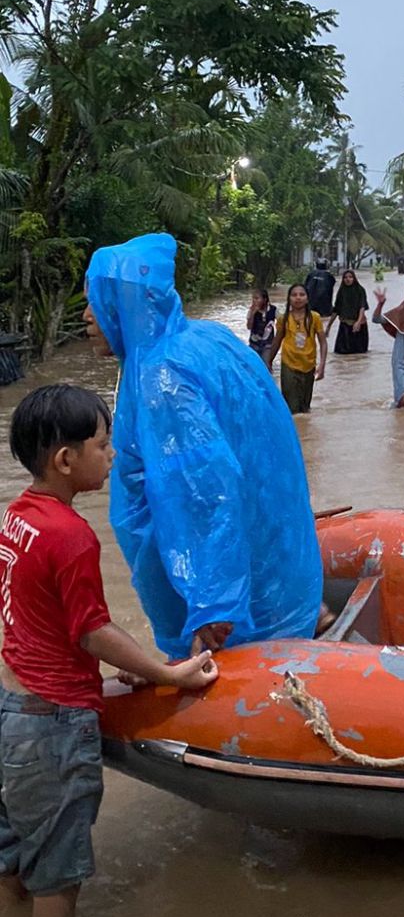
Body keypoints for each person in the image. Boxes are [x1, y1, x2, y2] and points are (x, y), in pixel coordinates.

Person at [0, 384, 216, 917]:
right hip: (51, 726)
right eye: (103, 443)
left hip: (10, 708)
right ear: (66, 460)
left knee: (10, 859)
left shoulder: (17, 519)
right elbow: (92, 629)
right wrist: (167, 672)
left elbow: (37, 616)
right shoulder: (71, 535)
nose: (114, 453)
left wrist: (121, 661)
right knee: (57, 883)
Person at [83, 233, 324, 658]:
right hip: (282, 582)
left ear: (124, 306)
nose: (87, 316)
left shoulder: (163, 377)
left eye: (98, 302)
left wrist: (213, 607)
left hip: (244, 621)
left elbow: (204, 492)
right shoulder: (207, 340)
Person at [270, 283, 328, 415]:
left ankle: (305, 433)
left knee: (305, 407)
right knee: (292, 408)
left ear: (307, 298)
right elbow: (277, 341)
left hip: (309, 364)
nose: (298, 298)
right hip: (289, 364)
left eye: (302, 295)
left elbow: (323, 342)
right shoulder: (283, 318)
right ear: (289, 298)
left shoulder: (315, 317)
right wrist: (268, 362)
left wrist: (322, 365)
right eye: (294, 295)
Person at [332, 269, 369, 355]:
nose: (348, 279)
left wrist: (358, 322)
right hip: (345, 325)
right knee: (340, 353)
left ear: (354, 278)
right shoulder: (341, 291)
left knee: (360, 354)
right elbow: (336, 309)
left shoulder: (360, 290)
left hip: (359, 326)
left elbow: (362, 307)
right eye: (345, 277)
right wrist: (328, 327)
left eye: (350, 277)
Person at [303, 259, 335, 329]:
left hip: (310, 303)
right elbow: (331, 285)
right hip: (324, 305)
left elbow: (305, 286)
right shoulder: (329, 275)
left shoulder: (311, 274)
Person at [246, 288, 276, 358]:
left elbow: (281, 324)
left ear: (265, 299)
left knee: (266, 364)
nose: (254, 301)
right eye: (253, 298)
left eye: (257, 298)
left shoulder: (273, 310)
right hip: (254, 343)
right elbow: (249, 327)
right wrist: (253, 314)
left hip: (268, 344)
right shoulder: (251, 310)